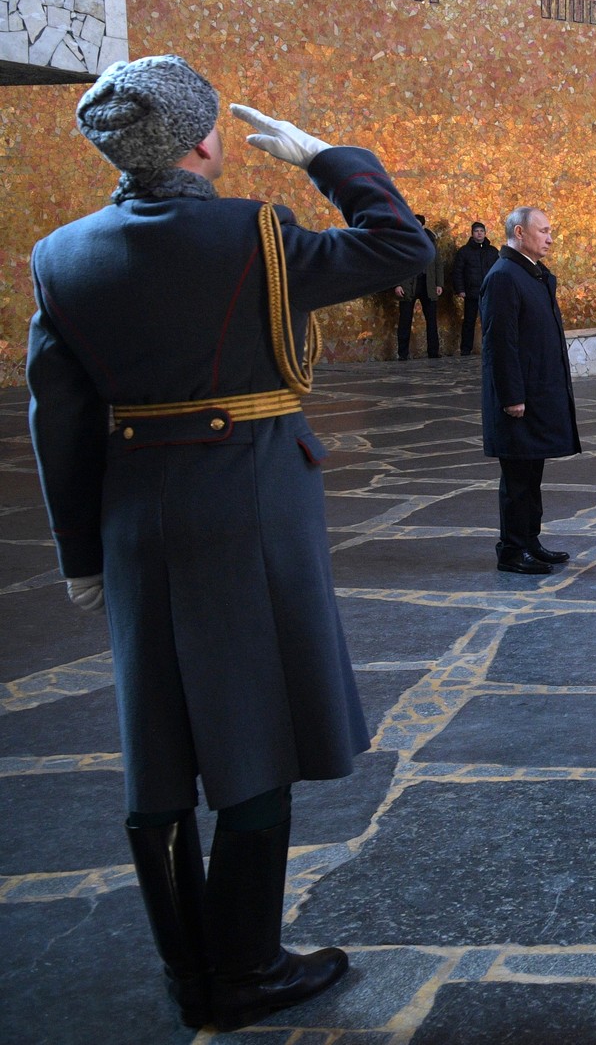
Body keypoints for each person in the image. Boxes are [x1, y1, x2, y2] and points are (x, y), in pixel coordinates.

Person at [24, 56, 433, 1030]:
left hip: (133, 518)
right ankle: (244, 967)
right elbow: (399, 245)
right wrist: (328, 159)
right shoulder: (255, 231)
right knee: (256, 736)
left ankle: (187, 970)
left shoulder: (60, 254)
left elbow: (60, 420)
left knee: (157, 749)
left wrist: (81, 548)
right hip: (248, 507)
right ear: (205, 141)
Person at [480, 205, 581, 575]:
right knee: (518, 479)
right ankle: (512, 550)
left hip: (537, 392)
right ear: (519, 233)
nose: (550, 238)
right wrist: (511, 396)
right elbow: (500, 343)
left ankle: (530, 541)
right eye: (544, 231)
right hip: (518, 398)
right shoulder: (505, 276)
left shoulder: (532, 274)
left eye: (551, 231)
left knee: (532, 473)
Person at [393, 213, 443, 359]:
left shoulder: (431, 240)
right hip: (408, 284)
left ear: (422, 225)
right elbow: (397, 264)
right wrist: (397, 284)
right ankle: (403, 353)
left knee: (432, 320)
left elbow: (438, 263)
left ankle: (433, 352)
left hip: (428, 284)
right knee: (405, 320)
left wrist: (439, 284)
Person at [452, 220, 499, 355]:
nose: (479, 234)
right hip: (471, 292)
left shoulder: (492, 251)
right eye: (477, 231)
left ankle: (490, 348)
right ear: (472, 234)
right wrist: (460, 289)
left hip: (488, 292)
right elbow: (458, 271)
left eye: (481, 231)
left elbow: (498, 271)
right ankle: (466, 349)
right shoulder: (464, 251)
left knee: (489, 322)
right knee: (469, 322)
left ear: (485, 233)